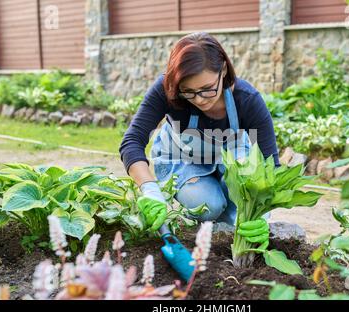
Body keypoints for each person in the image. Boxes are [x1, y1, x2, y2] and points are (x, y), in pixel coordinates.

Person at [119, 32, 280, 235]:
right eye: (188, 91)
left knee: (243, 214)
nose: (201, 99)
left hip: (232, 158)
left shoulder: (246, 100)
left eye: (207, 89)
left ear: (222, 70)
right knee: (207, 206)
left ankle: (228, 218)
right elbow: (132, 141)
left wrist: (261, 215)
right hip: (182, 159)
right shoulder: (165, 90)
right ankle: (208, 211)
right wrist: (149, 189)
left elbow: (269, 162)